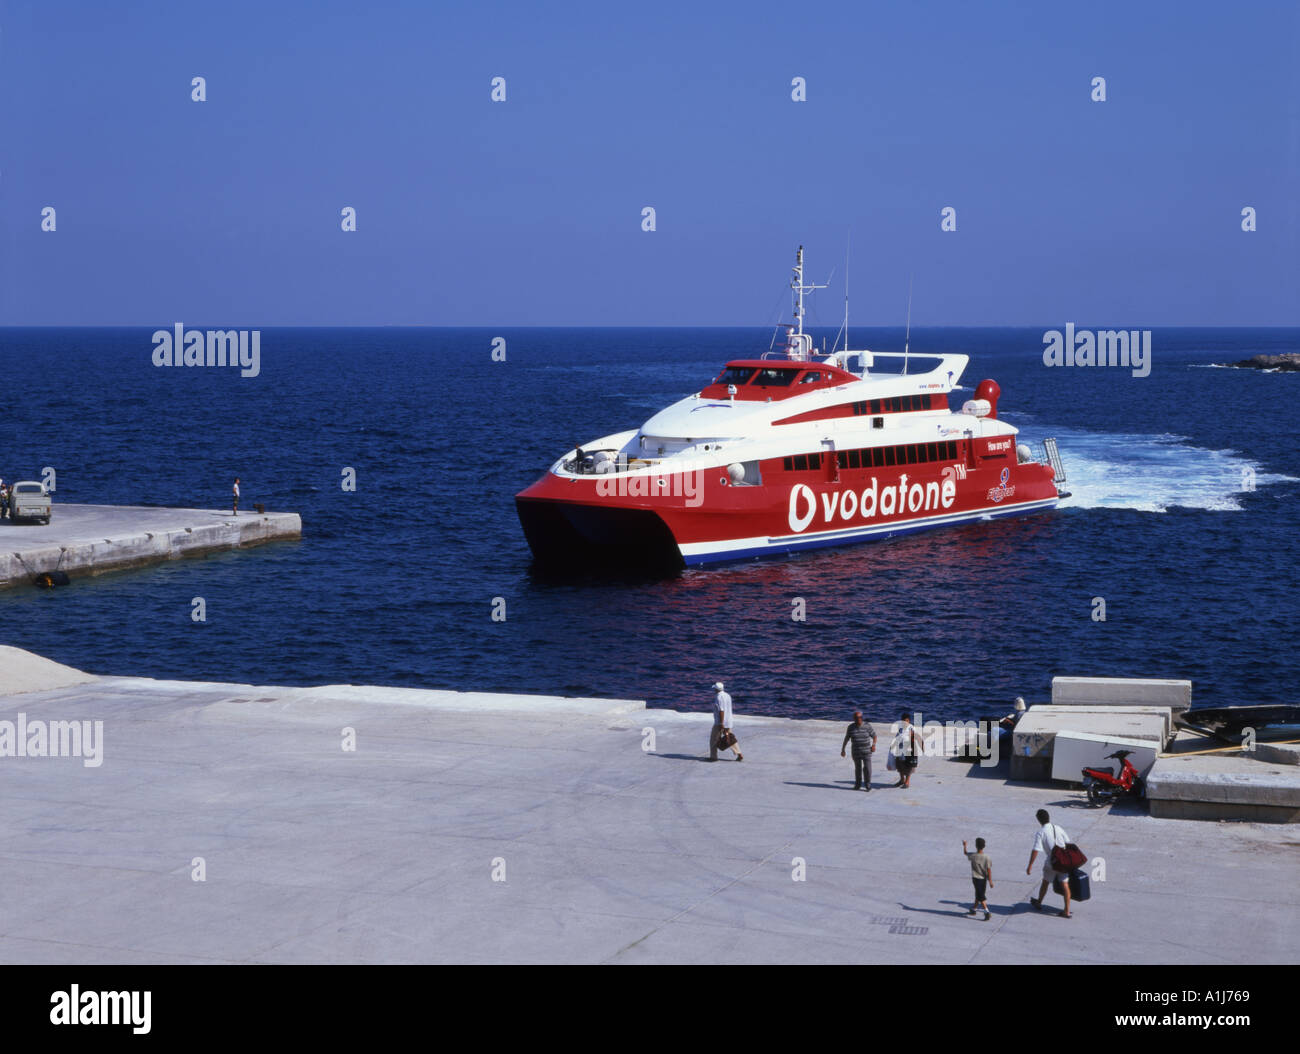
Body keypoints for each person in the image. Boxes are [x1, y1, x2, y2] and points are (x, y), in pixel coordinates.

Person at [1027, 808, 1072, 918]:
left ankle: (1039, 902)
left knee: (1045, 882)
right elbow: (1068, 843)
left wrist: (1030, 865)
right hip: (1064, 862)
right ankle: (1066, 911)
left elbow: (1036, 850)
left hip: (1052, 862)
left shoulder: (1041, 832)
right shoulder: (1058, 828)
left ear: (1038, 820)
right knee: (1065, 884)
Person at [840, 711, 876, 790]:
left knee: (867, 768)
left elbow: (874, 736)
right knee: (858, 768)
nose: (859, 719)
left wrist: (873, 745)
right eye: (857, 718)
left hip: (866, 751)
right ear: (854, 719)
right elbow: (846, 739)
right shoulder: (851, 727)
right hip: (856, 751)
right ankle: (858, 784)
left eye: (860, 717)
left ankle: (868, 784)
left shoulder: (867, 726)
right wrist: (843, 749)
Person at [709, 681, 743, 762]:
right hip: (728, 721)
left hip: (720, 722)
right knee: (729, 738)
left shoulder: (718, 697)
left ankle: (713, 757)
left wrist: (721, 723)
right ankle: (739, 754)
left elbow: (721, 710)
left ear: (716, 689)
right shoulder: (727, 695)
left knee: (713, 739)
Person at [963, 837, 994, 920]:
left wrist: (965, 845)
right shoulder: (987, 857)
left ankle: (987, 911)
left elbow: (965, 853)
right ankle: (974, 909)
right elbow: (989, 870)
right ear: (984, 846)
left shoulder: (973, 856)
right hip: (984, 879)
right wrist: (990, 881)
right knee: (979, 893)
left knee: (980, 896)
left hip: (976, 879)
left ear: (976, 846)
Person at [892, 713, 923, 788]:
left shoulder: (911, 728)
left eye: (906, 721)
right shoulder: (900, 728)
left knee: (908, 766)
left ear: (909, 721)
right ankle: (902, 780)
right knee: (899, 765)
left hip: (909, 750)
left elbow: (917, 738)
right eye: (903, 721)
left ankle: (907, 782)